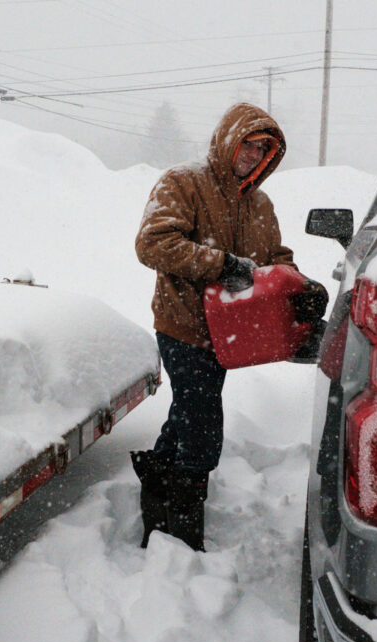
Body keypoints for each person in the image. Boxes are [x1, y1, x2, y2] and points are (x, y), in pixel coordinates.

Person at [132, 102, 303, 552]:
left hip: (229, 333)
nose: (252, 154)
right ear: (229, 139)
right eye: (247, 144)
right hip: (183, 324)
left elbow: (274, 259)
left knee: (190, 411)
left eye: (262, 148)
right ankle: (183, 529)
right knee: (203, 424)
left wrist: (301, 285)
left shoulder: (259, 203)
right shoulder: (183, 182)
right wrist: (218, 264)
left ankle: (155, 482)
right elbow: (152, 243)